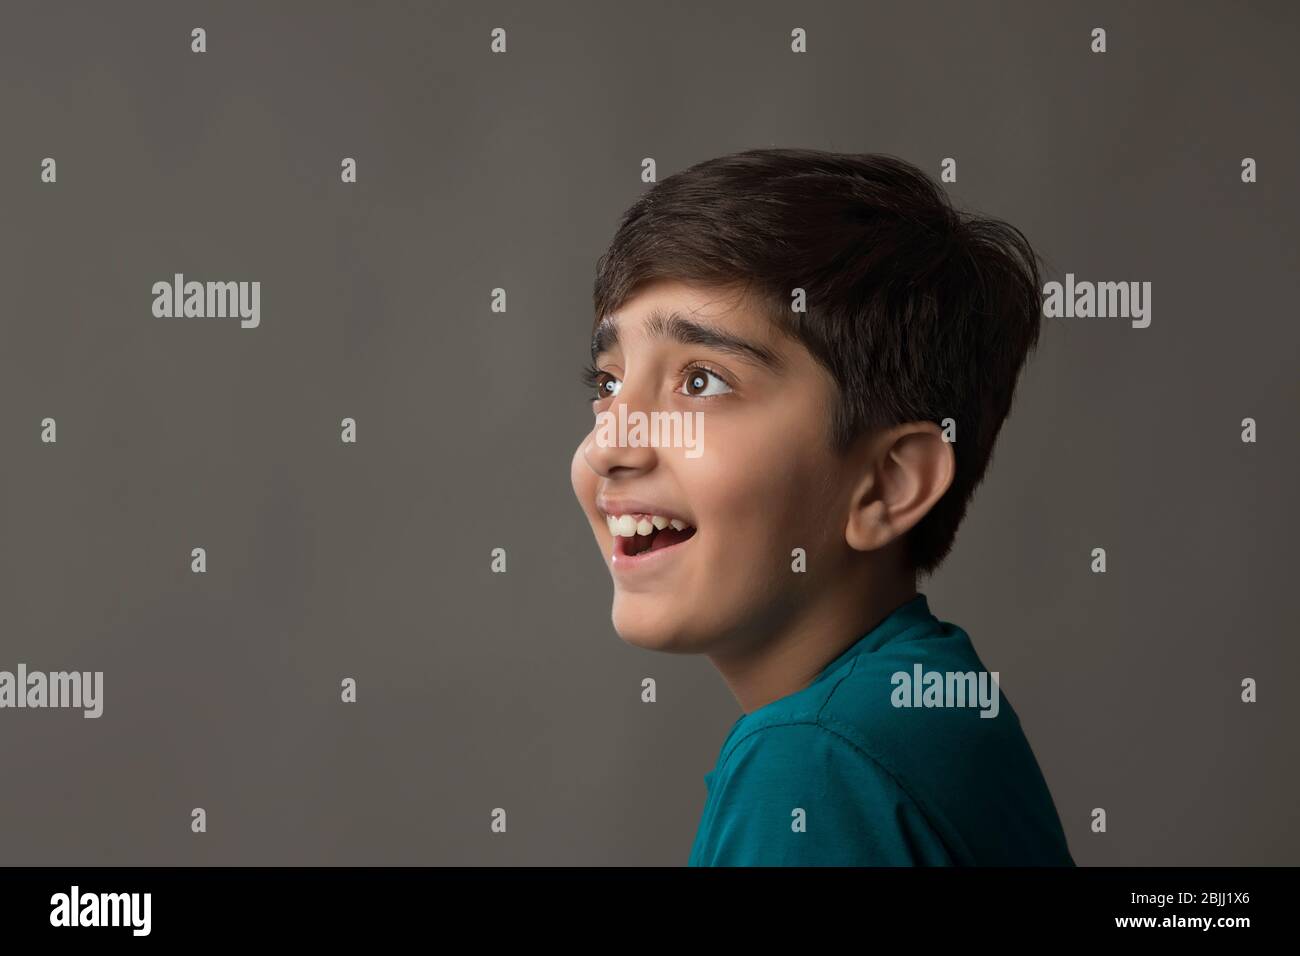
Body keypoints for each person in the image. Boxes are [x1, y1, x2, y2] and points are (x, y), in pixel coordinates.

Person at [569, 149, 1074, 865]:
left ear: (888, 485)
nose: (610, 446)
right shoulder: (934, 700)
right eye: (608, 381)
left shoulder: (813, 765)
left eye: (702, 381)